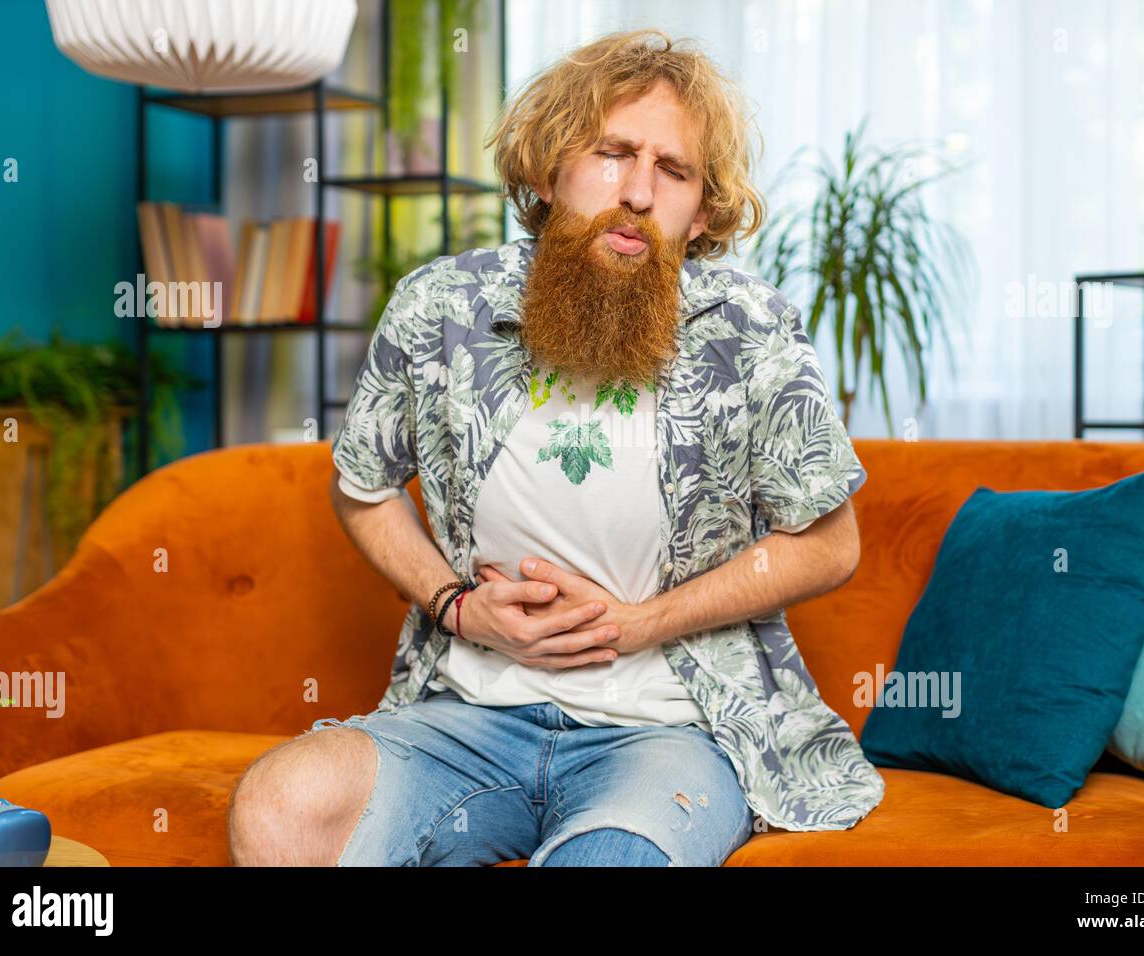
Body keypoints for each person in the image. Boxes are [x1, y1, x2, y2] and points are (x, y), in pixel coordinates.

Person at [227, 27, 884, 868]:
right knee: (278, 806)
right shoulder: (440, 308)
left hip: (669, 733)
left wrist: (640, 624)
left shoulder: (754, 331)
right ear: (547, 167)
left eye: (673, 171)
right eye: (613, 153)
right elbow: (362, 486)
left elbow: (831, 545)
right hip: (463, 717)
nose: (639, 193)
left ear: (703, 210)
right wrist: (456, 606)